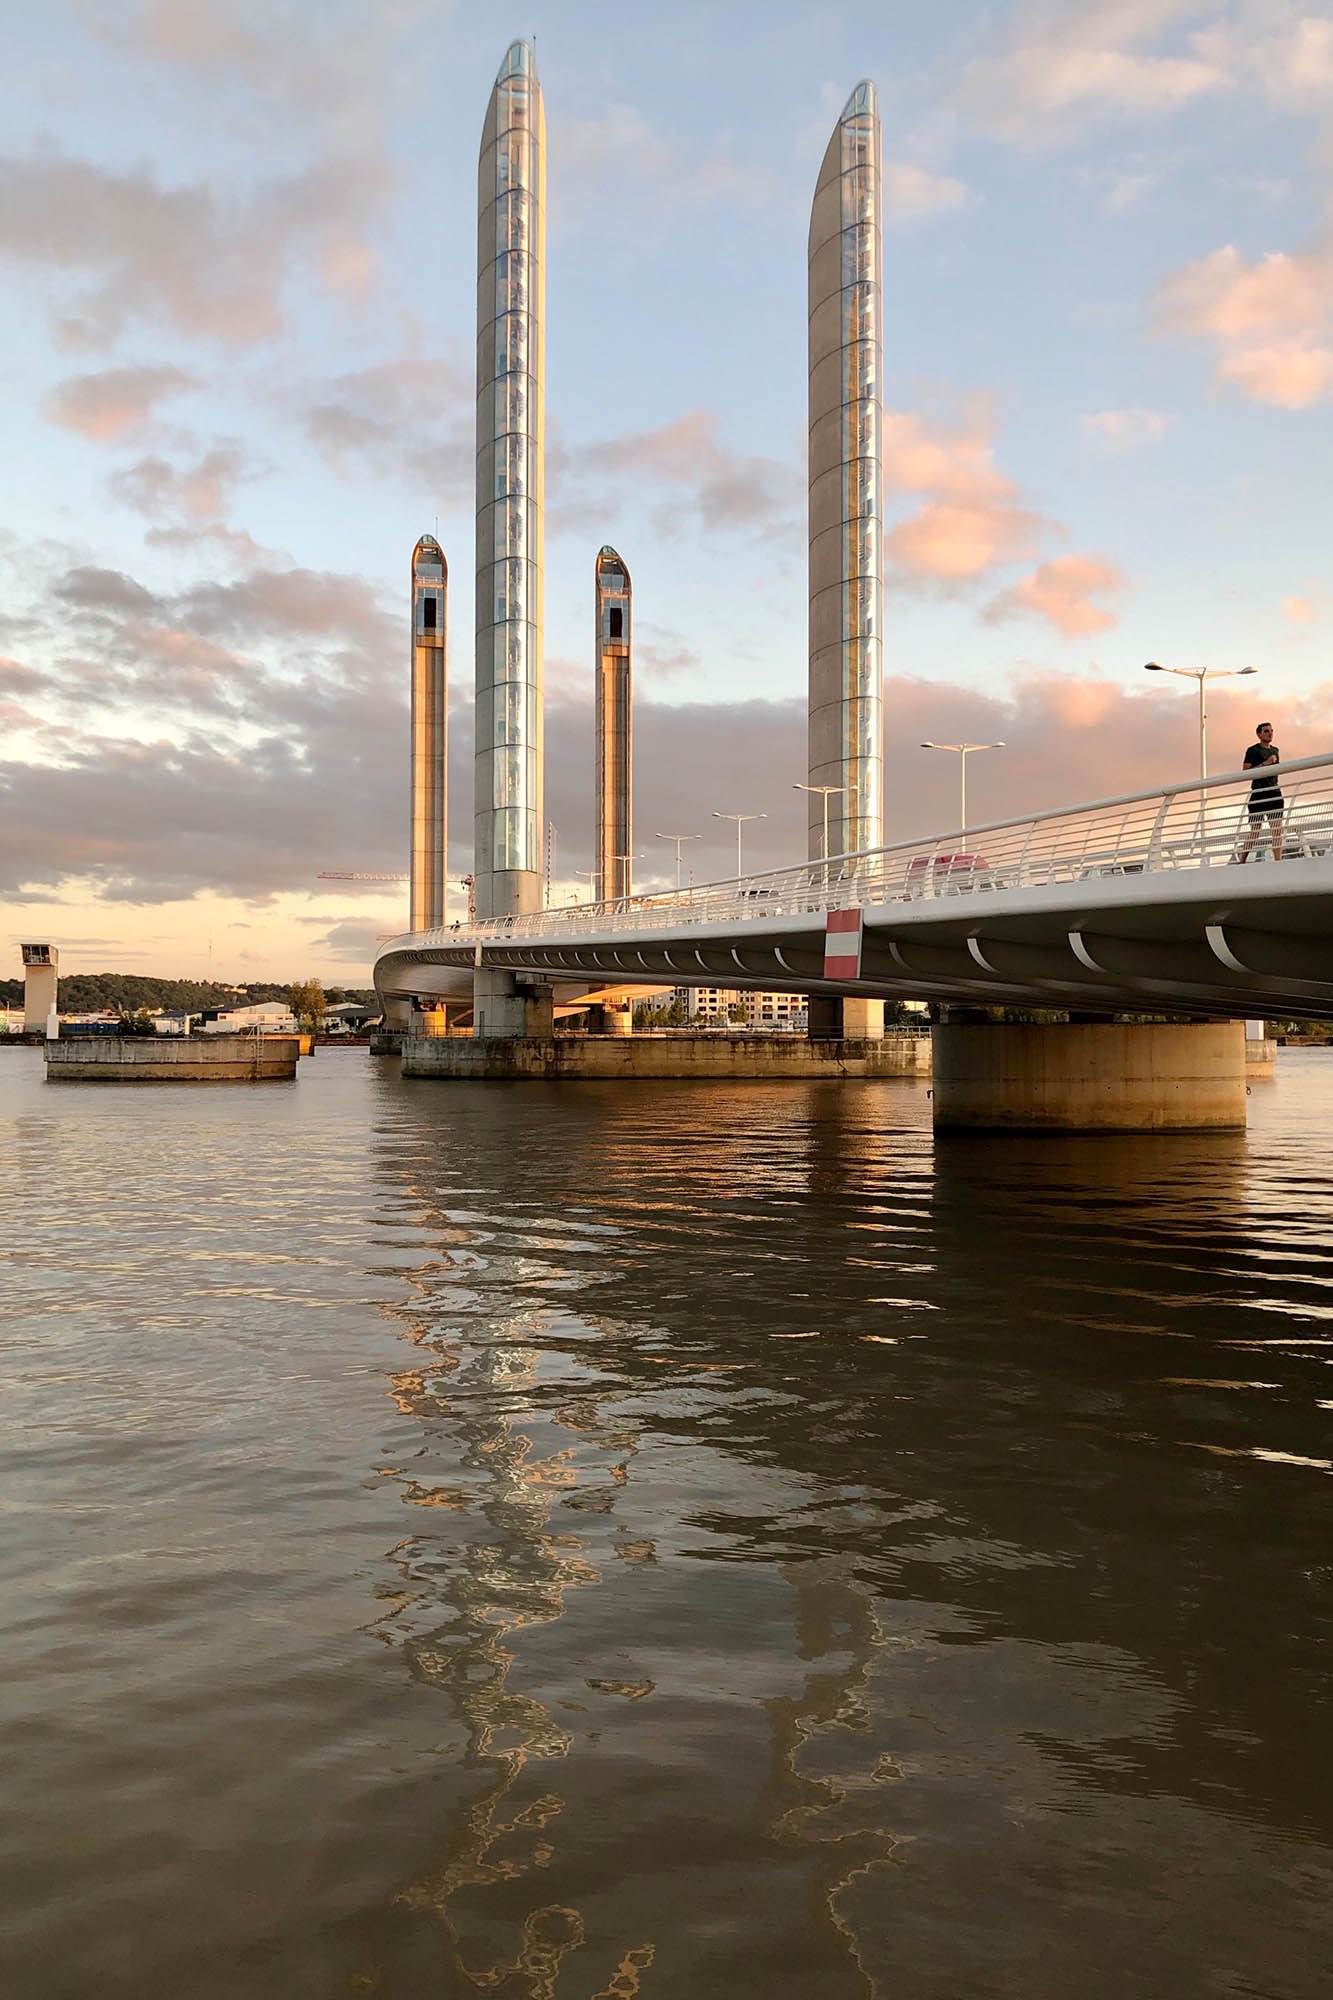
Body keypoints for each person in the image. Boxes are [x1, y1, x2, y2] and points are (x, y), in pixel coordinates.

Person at [1234, 721, 1284, 862]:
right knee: (1255, 831)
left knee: (1277, 830)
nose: (1270, 733)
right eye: (1266, 731)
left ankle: (1278, 861)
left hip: (1274, 792)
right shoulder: (1253, 750)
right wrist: (1265, 764)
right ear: (1259, 734)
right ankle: (1242, 860)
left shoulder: (1276, 750)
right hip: (1258, 793)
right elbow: (1246, 772)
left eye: (1271, 730)